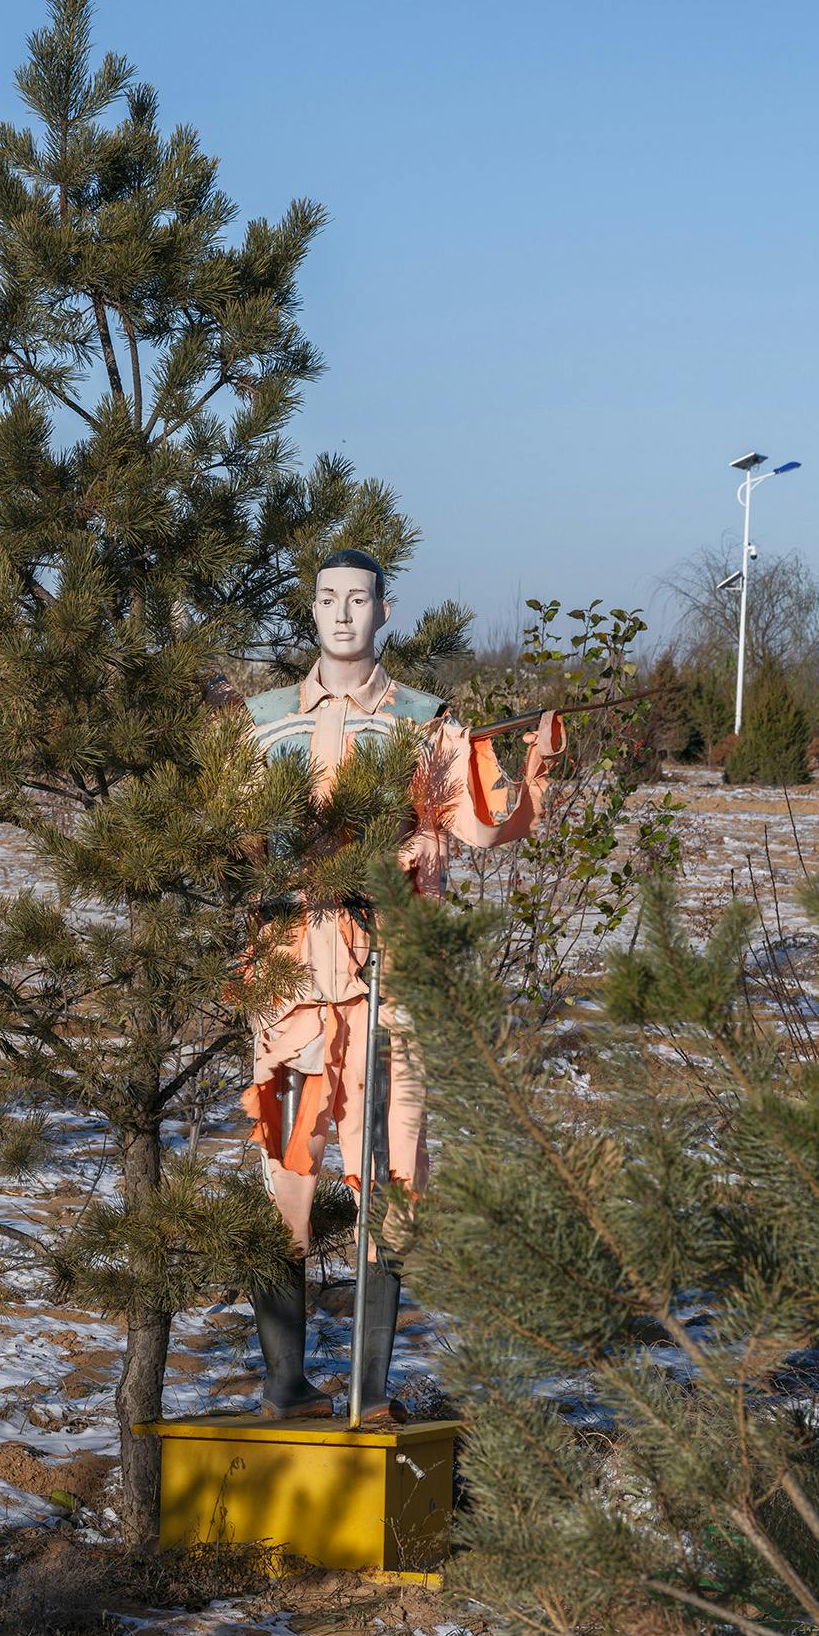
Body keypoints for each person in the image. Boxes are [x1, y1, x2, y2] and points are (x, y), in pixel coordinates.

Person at [240, 550, 562, 1414]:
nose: (343, 613)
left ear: (385, 611)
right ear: (310, 610)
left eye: (360, 599)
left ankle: (370, 1392)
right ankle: (284, 1387)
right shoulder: (262, 723)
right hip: (291, 979)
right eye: (327, 598)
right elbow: (230, 836)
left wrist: (524, 765)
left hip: (393, 983)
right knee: (286, 1177)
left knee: (392, 1172)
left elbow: (486, 826)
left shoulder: (428, 723)